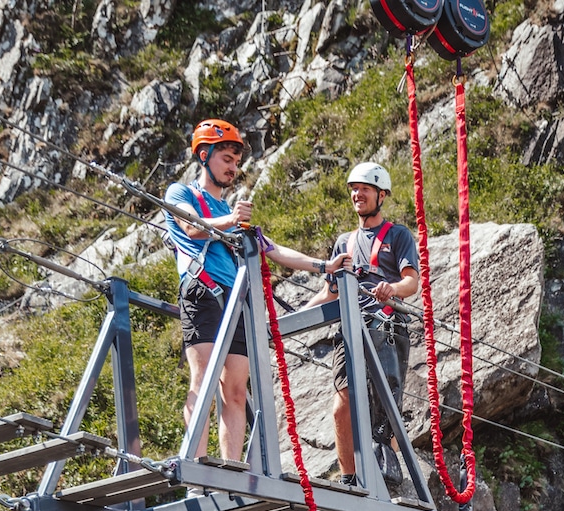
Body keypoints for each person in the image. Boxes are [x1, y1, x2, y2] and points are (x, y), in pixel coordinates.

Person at [163, 119, 347, 467]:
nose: (233, 167)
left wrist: (324, 266)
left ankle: (231, 468)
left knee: (233, 390)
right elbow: (189, 226)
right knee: (202, 380)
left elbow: (275, 251)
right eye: (226, 159)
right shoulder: (182, 193)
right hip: (202, 293)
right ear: (204, 155)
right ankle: (197, 468)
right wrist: (231, 220)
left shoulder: (235, 216)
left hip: (237, 304)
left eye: (236, 161)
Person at [311, 161, 420, 490]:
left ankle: (384, 472)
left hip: (386, 327)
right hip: (349, 328)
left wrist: (392, 290)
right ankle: (349, 480)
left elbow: (411, 282)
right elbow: (331, 292)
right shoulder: (343, 242)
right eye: (354, 189)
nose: (358, 194)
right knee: (341, 405)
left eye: (365, 189)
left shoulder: (398, 235)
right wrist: (294, 316)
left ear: (381, 195)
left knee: (385, 408)